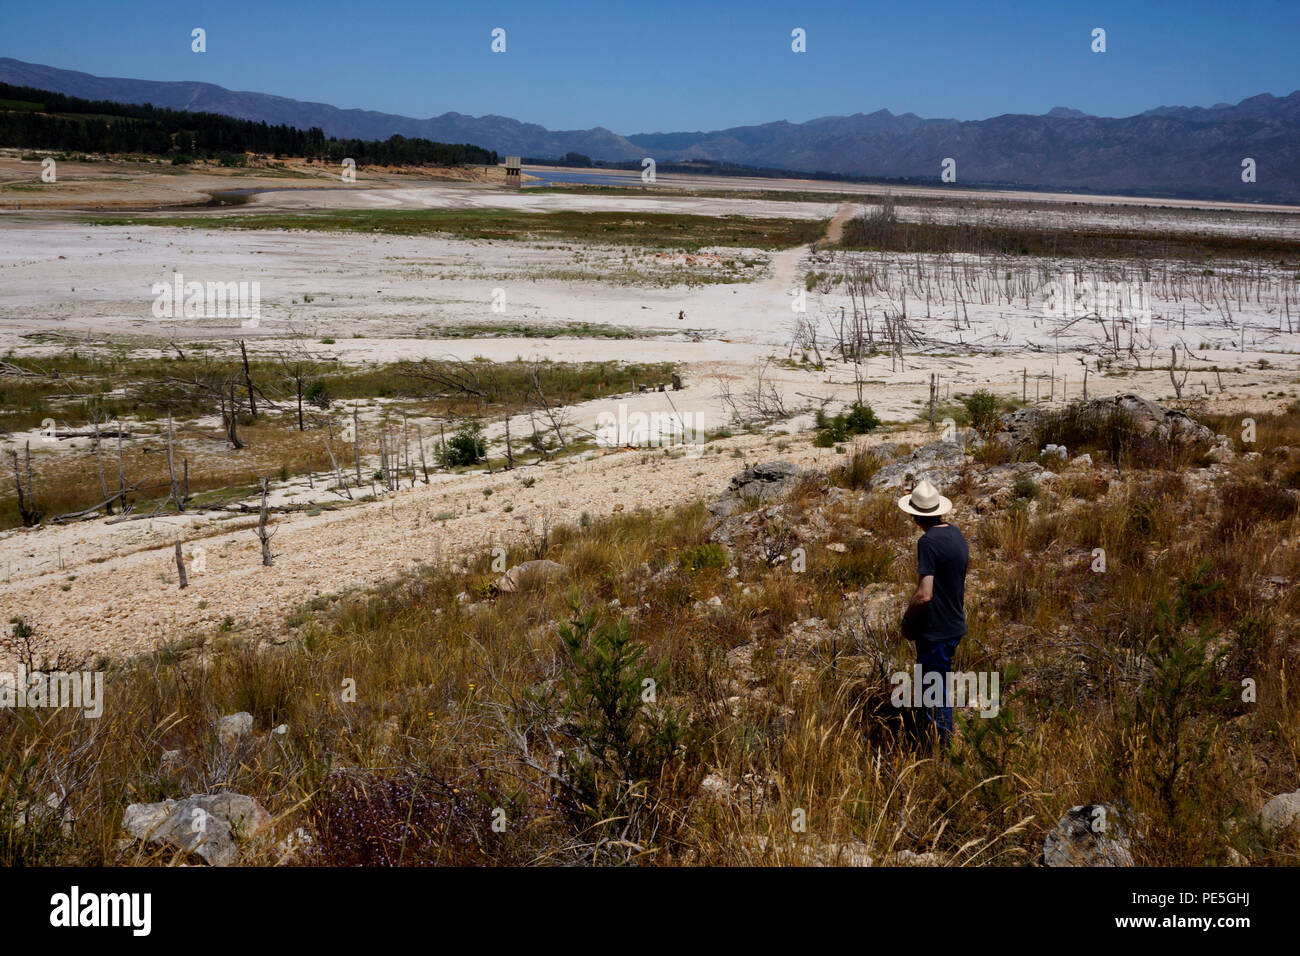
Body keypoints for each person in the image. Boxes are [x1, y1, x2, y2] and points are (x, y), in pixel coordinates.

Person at [898, 479, 969, 746]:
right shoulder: (955, 534)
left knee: (933, 695)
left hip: (935, 631)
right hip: (953, 624)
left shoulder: (927, 543)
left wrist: (907, 620)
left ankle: (938, 753)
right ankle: (942, 744)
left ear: (916, 516)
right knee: (939, 690)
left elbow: (925, 593)